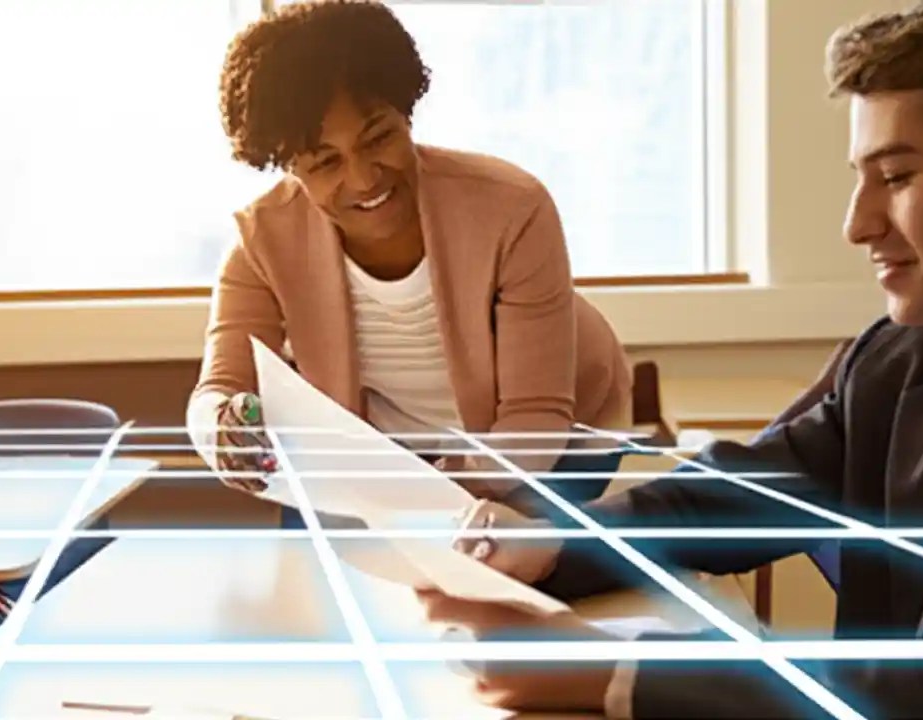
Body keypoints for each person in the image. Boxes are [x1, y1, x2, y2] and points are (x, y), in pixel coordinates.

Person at [418, 0, 923, 717]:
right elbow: (735, 496)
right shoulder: (898, 363)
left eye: (896, 177)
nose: (856, 224)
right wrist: (554, 546)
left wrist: (624, 670)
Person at [185, 0, 633, 520]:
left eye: (379, 137)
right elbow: (216, 392)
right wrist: (224, 433)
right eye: (326, 162)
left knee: (520, 572)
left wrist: (437, 493)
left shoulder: (512, 209)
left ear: (406, 112)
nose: (363, 178)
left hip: (554, 443)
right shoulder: (261, 245)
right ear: (289, 167)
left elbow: (535, 420)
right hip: (397, 456)